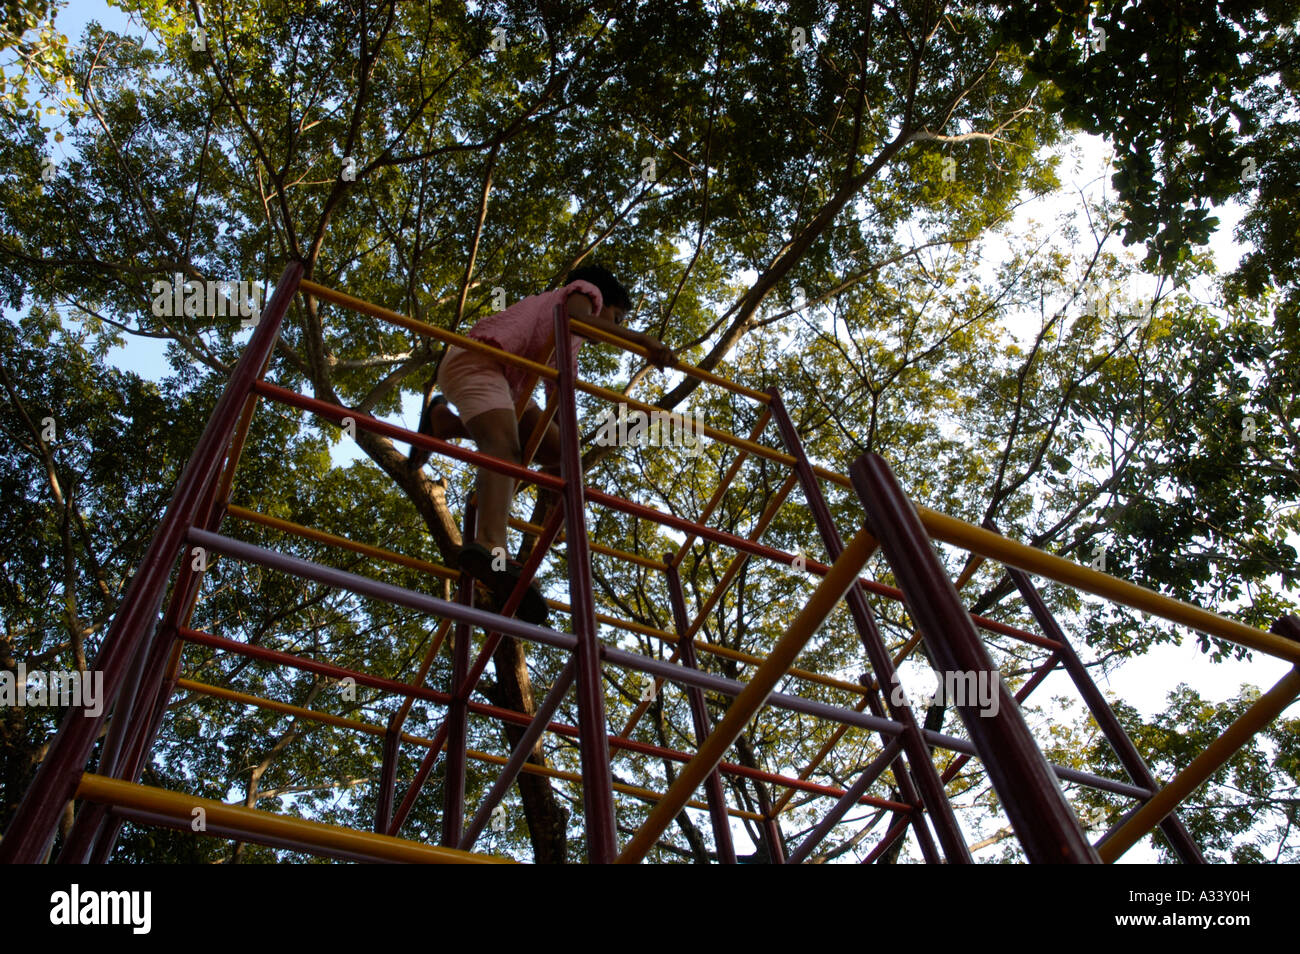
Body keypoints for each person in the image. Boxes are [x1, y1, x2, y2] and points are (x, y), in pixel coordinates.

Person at [409, 265, 675, 624]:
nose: (617, 326)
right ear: (603, 301)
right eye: (618, 317)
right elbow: (576, 318)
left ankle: (445, 423)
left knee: (559, 453)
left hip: (511, 381)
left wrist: (564, 480)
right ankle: (491, 546)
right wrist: (642, 341)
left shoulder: (571, 343)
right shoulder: (584, 296)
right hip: (481, 359)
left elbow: (560, 401)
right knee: (503, 449)